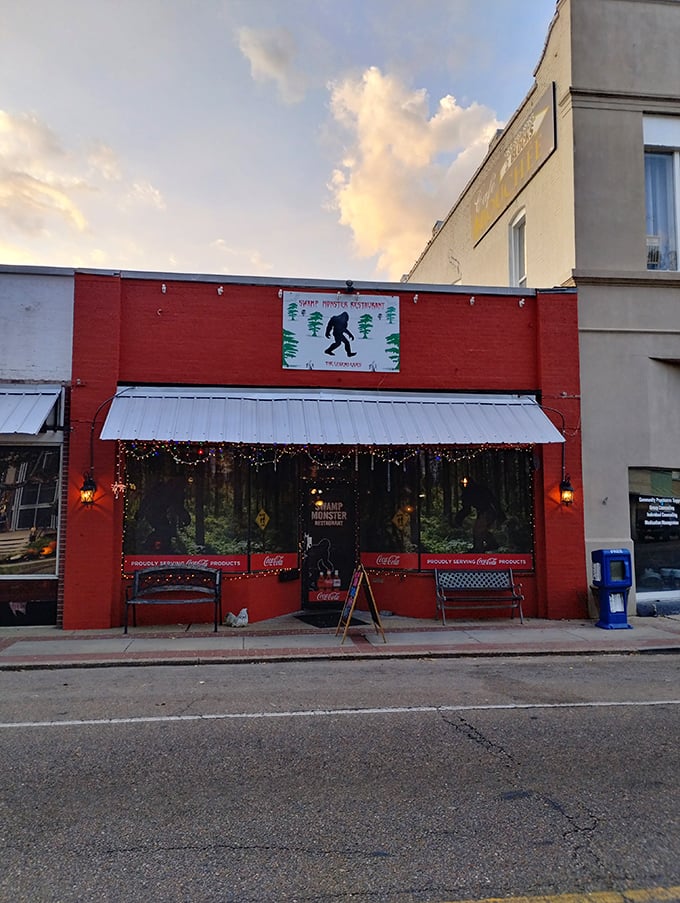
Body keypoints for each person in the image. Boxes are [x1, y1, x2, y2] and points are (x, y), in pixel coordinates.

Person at [454, 478, 505, 552]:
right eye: (463, 483)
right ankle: (492, 544)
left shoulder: (478, 489)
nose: (464, 485)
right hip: (485, 512)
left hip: (487, 512)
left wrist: (500, 513)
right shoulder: (469, 492)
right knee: (481, 530)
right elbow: (466, 509)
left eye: (465, 483)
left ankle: (478, 549)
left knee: (478, 530)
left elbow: (493, 500)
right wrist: (459, 518)